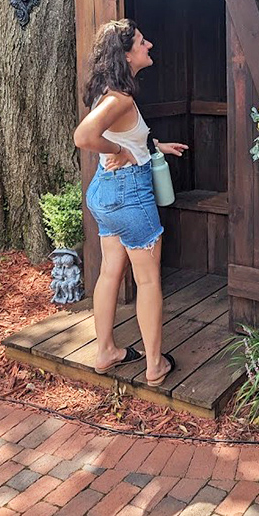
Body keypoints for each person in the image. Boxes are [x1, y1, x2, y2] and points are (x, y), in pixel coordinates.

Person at [73, 19, 188, 386]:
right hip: (129, 194)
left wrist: (152, 147)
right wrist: (119, 150)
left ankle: (106, 351)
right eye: (141, 42)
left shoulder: (111, 92)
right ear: (125, 55)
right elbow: (84, 136)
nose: (148, 44)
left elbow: (123, 134)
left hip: (106, 193)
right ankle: (155, 365)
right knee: (148, 280)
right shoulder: (118, 98)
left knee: (110, 271)